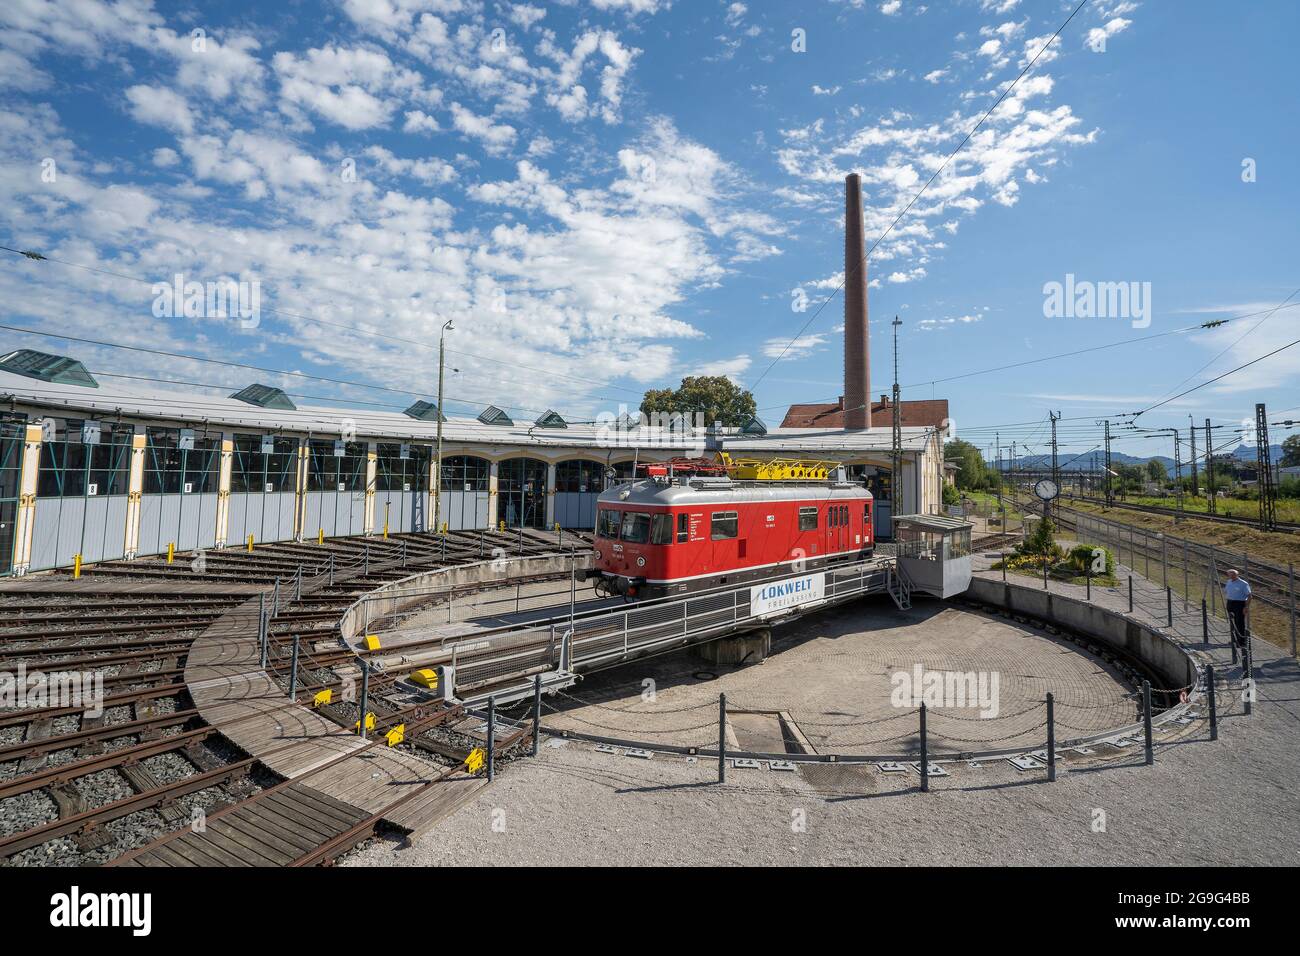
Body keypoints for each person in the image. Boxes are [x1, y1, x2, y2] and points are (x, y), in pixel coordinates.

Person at [1223, 568, 1251, 648]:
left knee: (1239, 622)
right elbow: (1226, 591)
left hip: (1239, 604)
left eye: (1232, 575)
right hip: (1230, 603)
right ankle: (1234, 640)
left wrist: (1246, 607)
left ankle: (1241, 642)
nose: (1231, 576)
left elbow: (1249, 596)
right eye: (1229, 575)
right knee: (1232, 622)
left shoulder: (1243, 584)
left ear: (1236, 575)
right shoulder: (1229, 582)